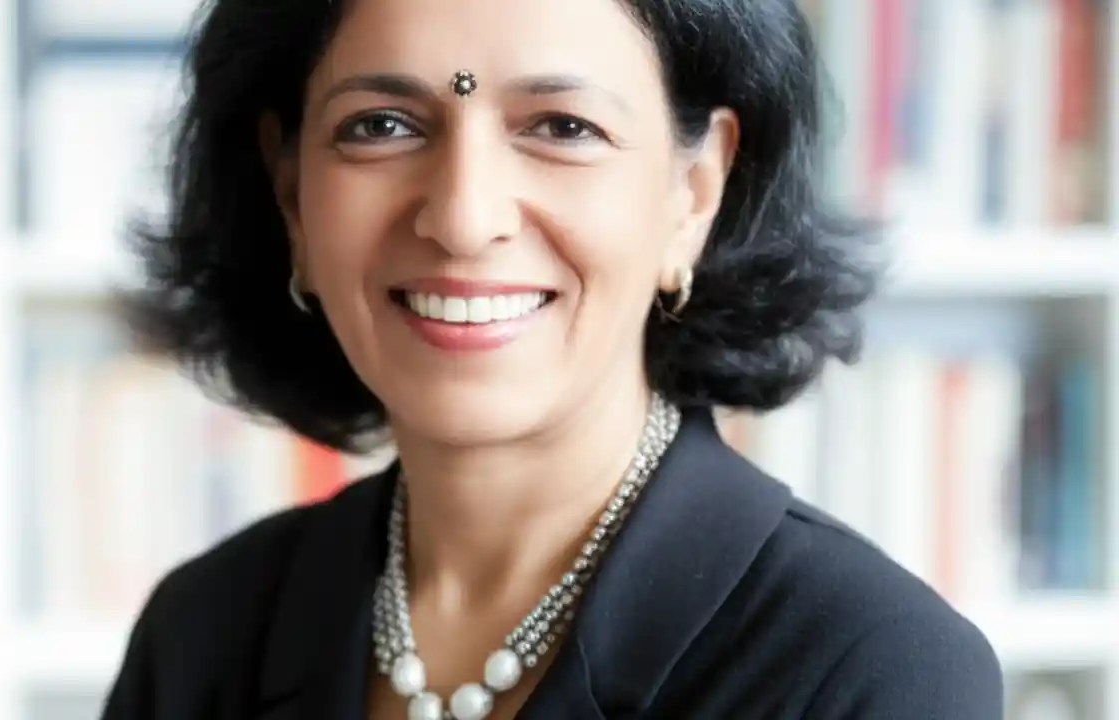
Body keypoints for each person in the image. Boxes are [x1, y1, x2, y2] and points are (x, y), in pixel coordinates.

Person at [101, 0, 1004, 717]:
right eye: (380, 125)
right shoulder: (203, 637)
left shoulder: (872, 671)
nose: (462, 215)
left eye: (562, 127)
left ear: (694, 193)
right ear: (292, 194)